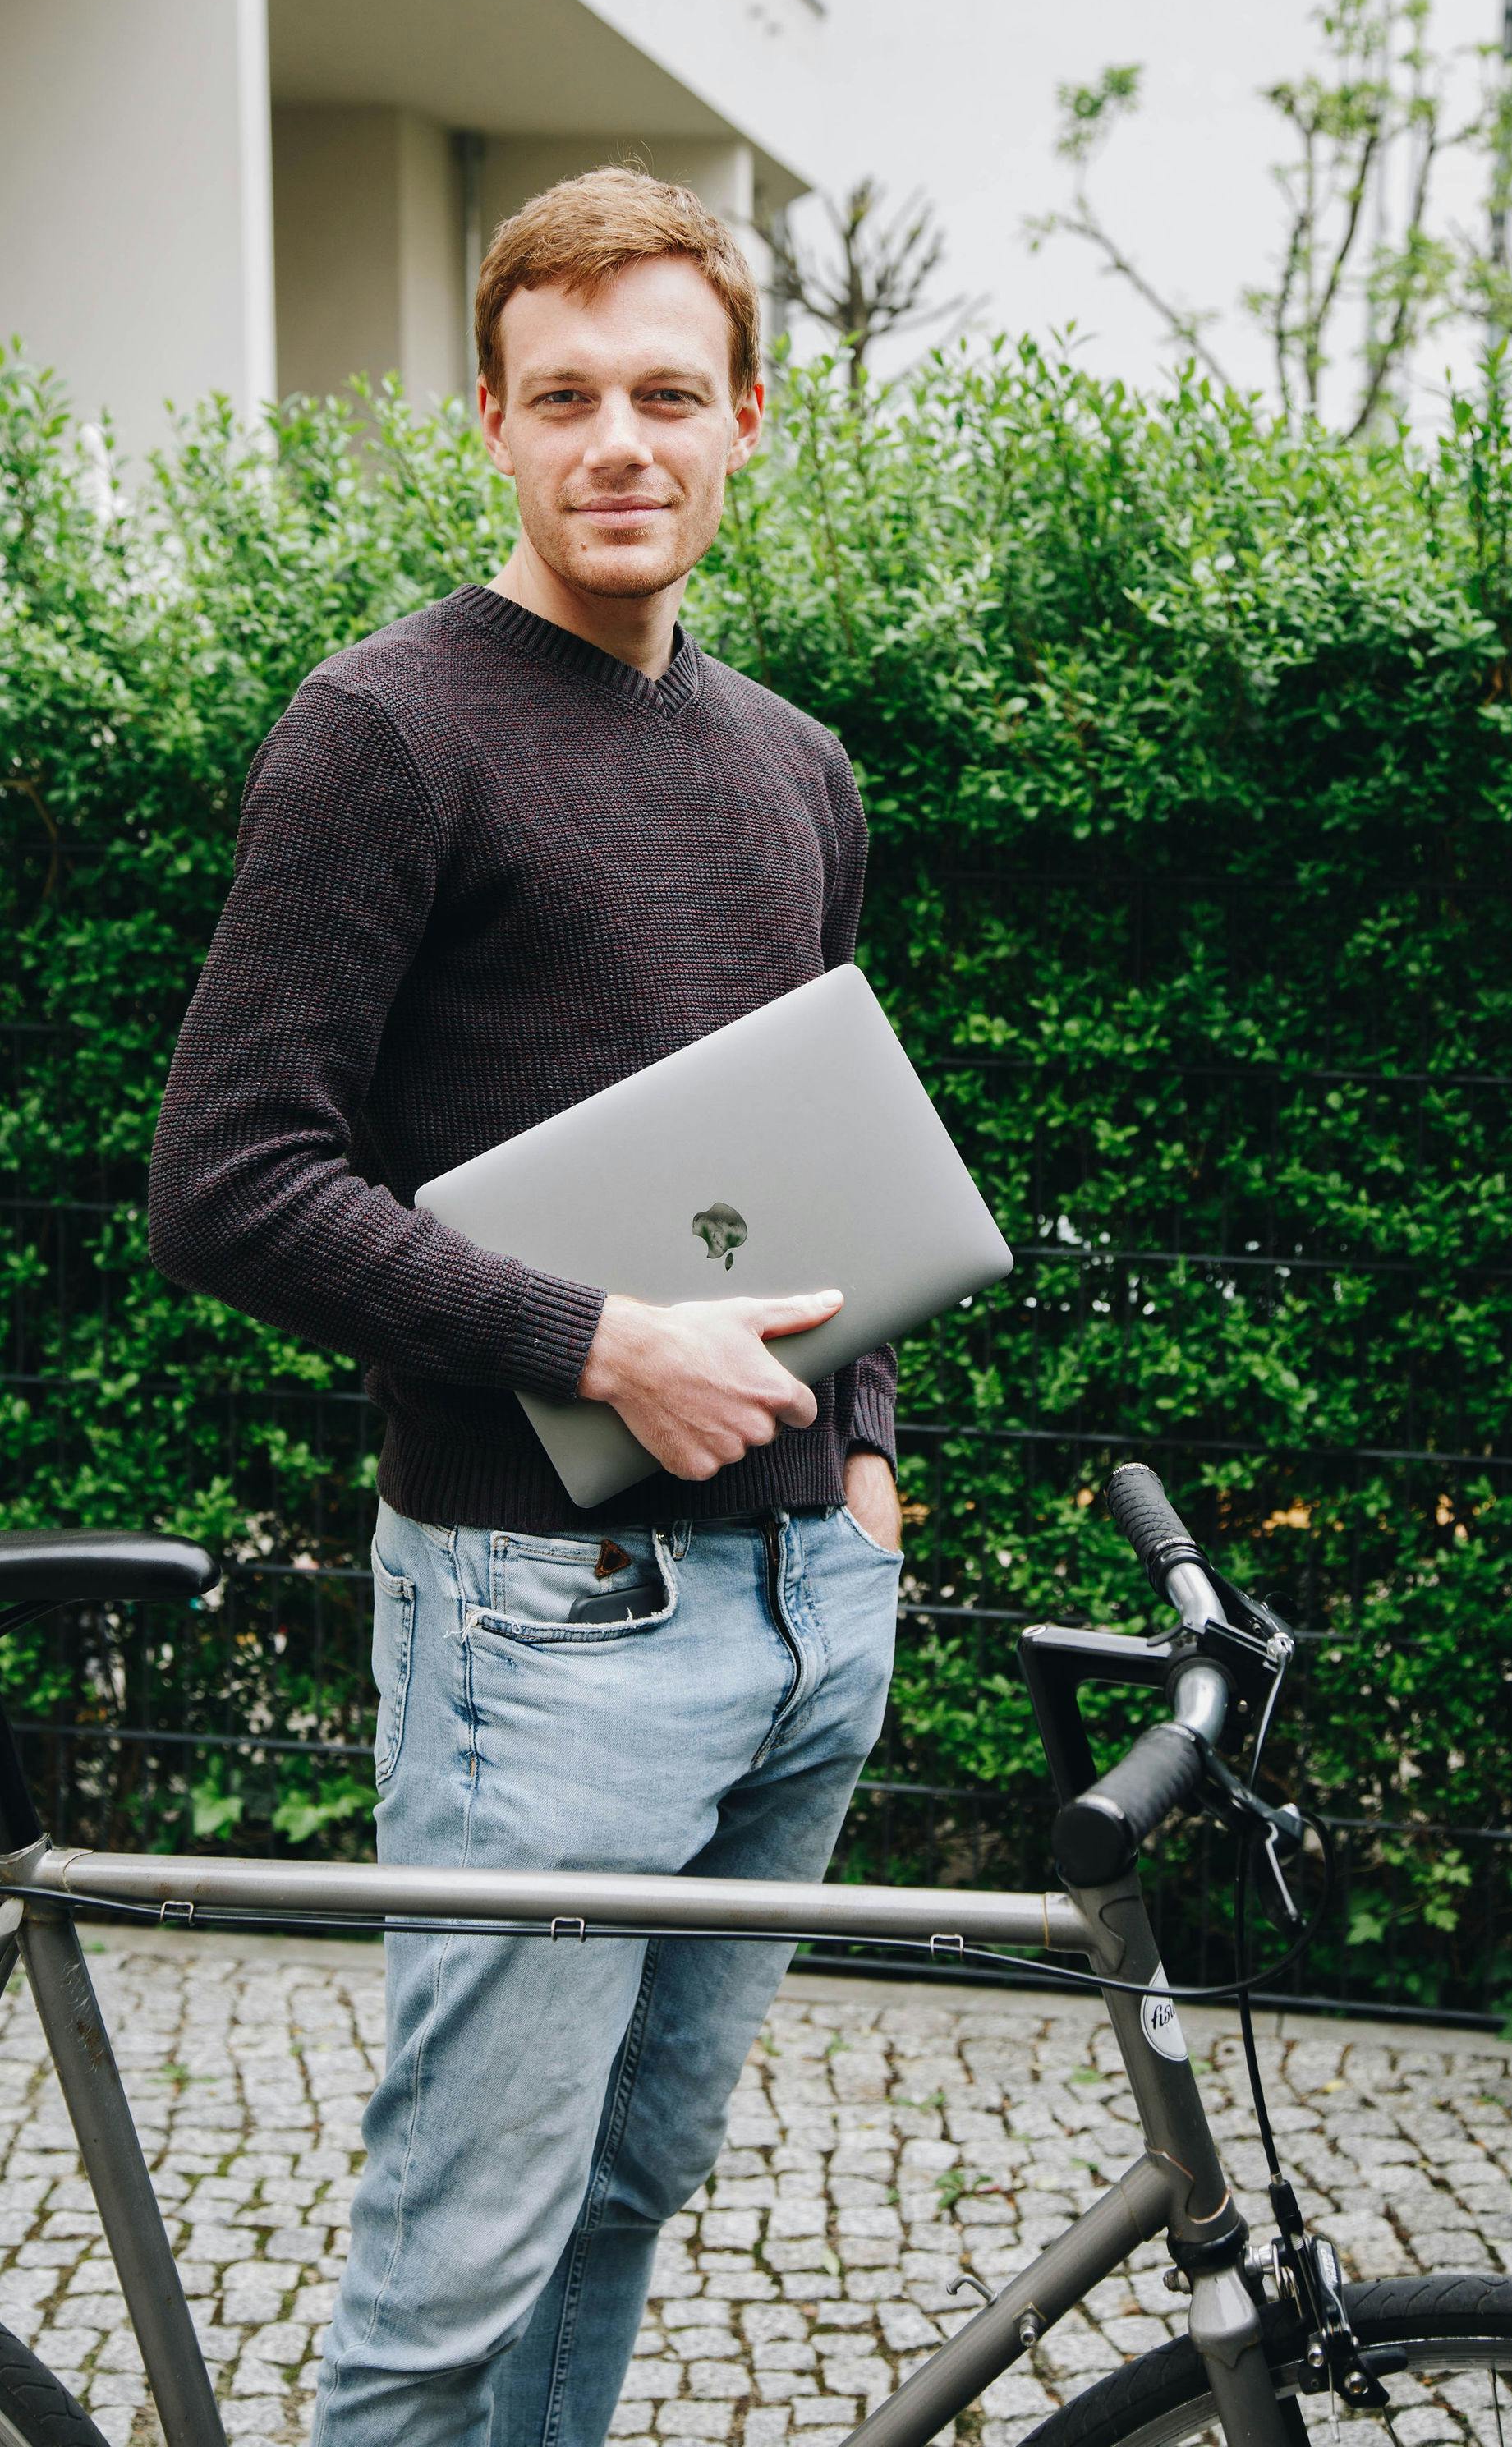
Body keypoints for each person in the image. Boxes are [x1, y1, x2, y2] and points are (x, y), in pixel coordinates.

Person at [148, 167, 903, 2446]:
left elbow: (814, 1139)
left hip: (802, 1608)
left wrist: (858, 1444)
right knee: (456, 2262)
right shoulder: (385, 729)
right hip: (541, 1612)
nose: (621, 444)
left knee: (627, 2194)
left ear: (749, 417)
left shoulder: (795, 767)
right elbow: (227, 1184)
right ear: (488, 415)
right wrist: (591, 1340)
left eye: (670, 392)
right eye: (565, 396)